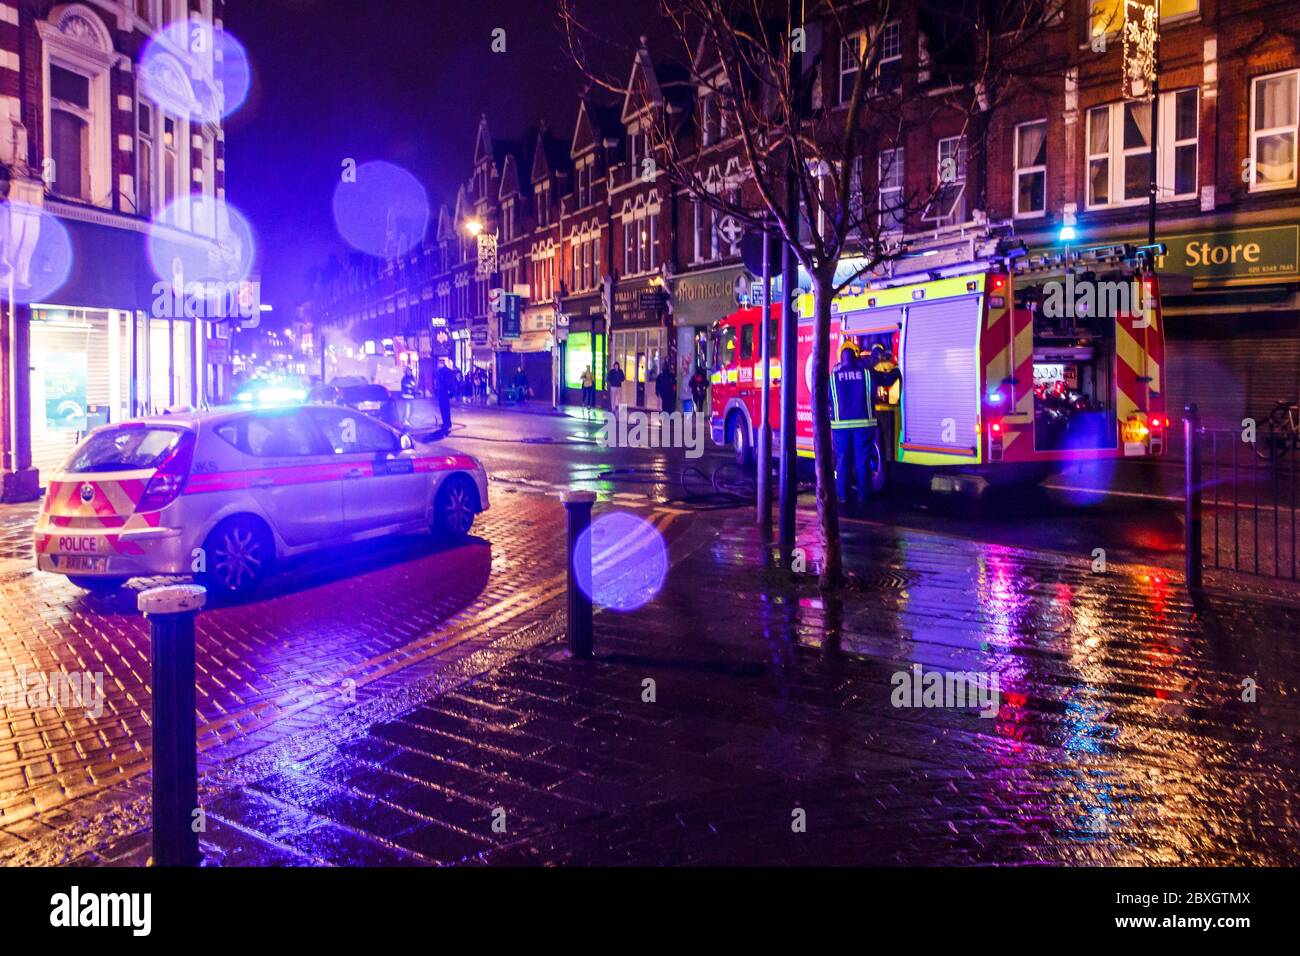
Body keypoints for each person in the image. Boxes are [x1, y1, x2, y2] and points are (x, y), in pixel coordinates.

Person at [830, 341, 876, 507]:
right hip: (863, 425)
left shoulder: (833, 377)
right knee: (862, 461)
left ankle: (842, 496)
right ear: (855, 358)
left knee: (842, 461)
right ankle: (864, 497)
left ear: (841, 359)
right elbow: (873, 395)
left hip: (840, 428)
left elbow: (828, 398)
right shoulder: (866, 374)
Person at [435, 359, 455, 432]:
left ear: (441, 364)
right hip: (446, 392)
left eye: (439, 364)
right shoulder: (448, 371)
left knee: (443, 408)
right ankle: (448, 423)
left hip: (443, 392)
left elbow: (442, 383)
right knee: (446, 408)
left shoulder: (442, 372)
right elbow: (451, 383)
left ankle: (446, 423)